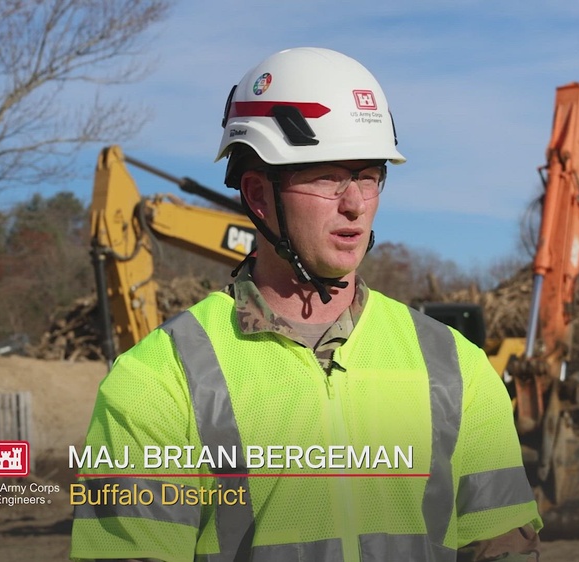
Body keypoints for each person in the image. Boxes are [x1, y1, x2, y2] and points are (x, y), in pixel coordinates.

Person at [70, 47, 543, 562]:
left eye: (368, 175)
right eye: (327, 176)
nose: (355, 203)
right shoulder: (158, 380)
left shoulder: (457, 367)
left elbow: (503, 547)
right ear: (257, 195)